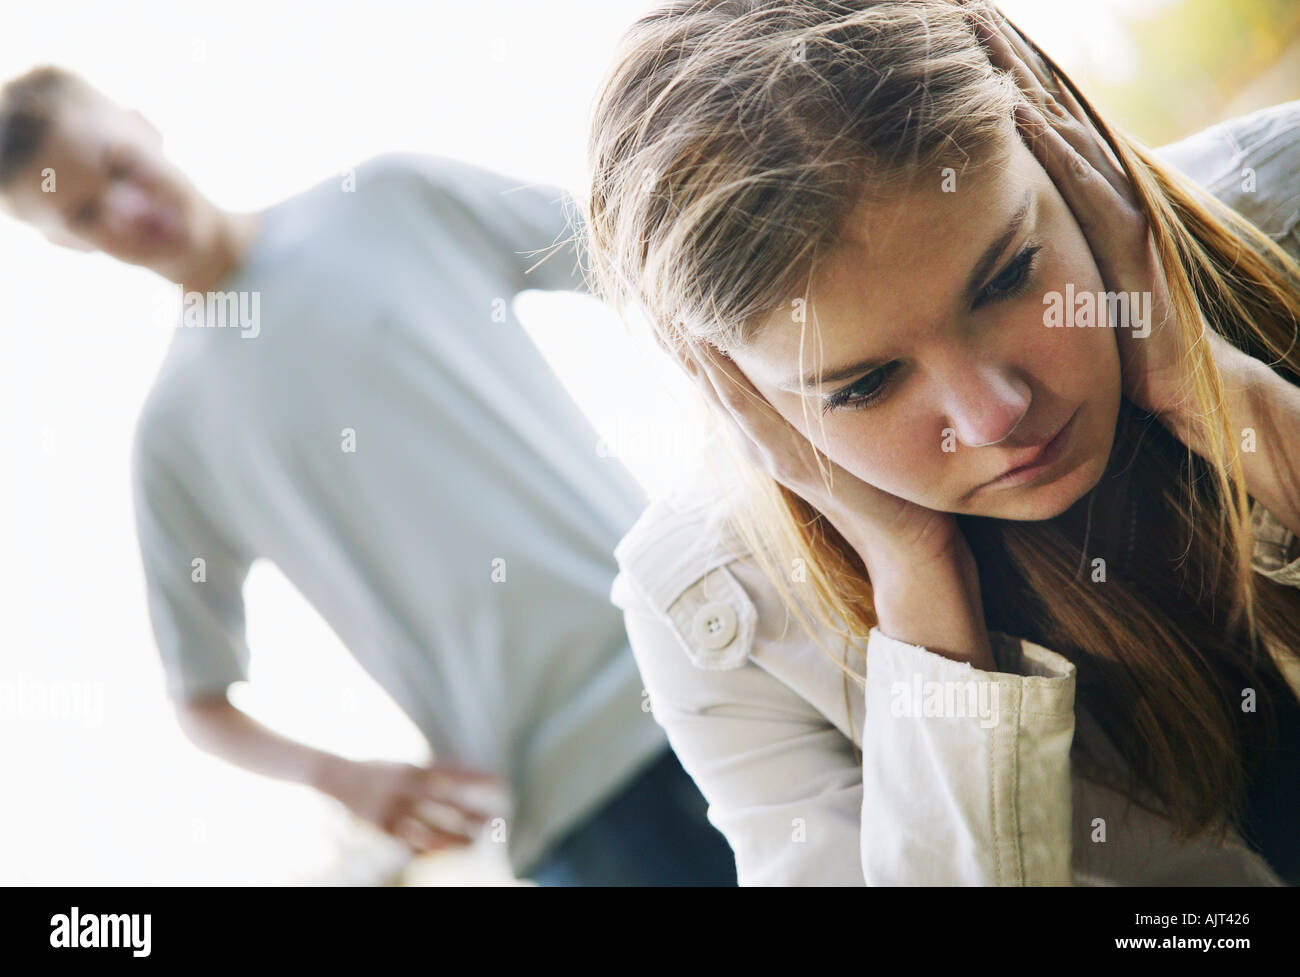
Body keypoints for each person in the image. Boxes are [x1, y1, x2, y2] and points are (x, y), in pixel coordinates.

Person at [584, 0, 1300, 884]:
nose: (995, 413)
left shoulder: (1288, 205)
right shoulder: (721, 620)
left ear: (1055, 142)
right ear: (739, 393)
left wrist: (1214, 390)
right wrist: (915, 582)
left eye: (1008, 276)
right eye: (864, 385)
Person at [0, 65, 737, 885]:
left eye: (118, 166)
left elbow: (643, 258)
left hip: (723, 656)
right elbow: (198, 700)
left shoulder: (387, 201)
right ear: (62, 241)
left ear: (142, 121)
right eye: (85, 213)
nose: (128, 210)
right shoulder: (173, 438)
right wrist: (342, 777)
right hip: (567, 806)